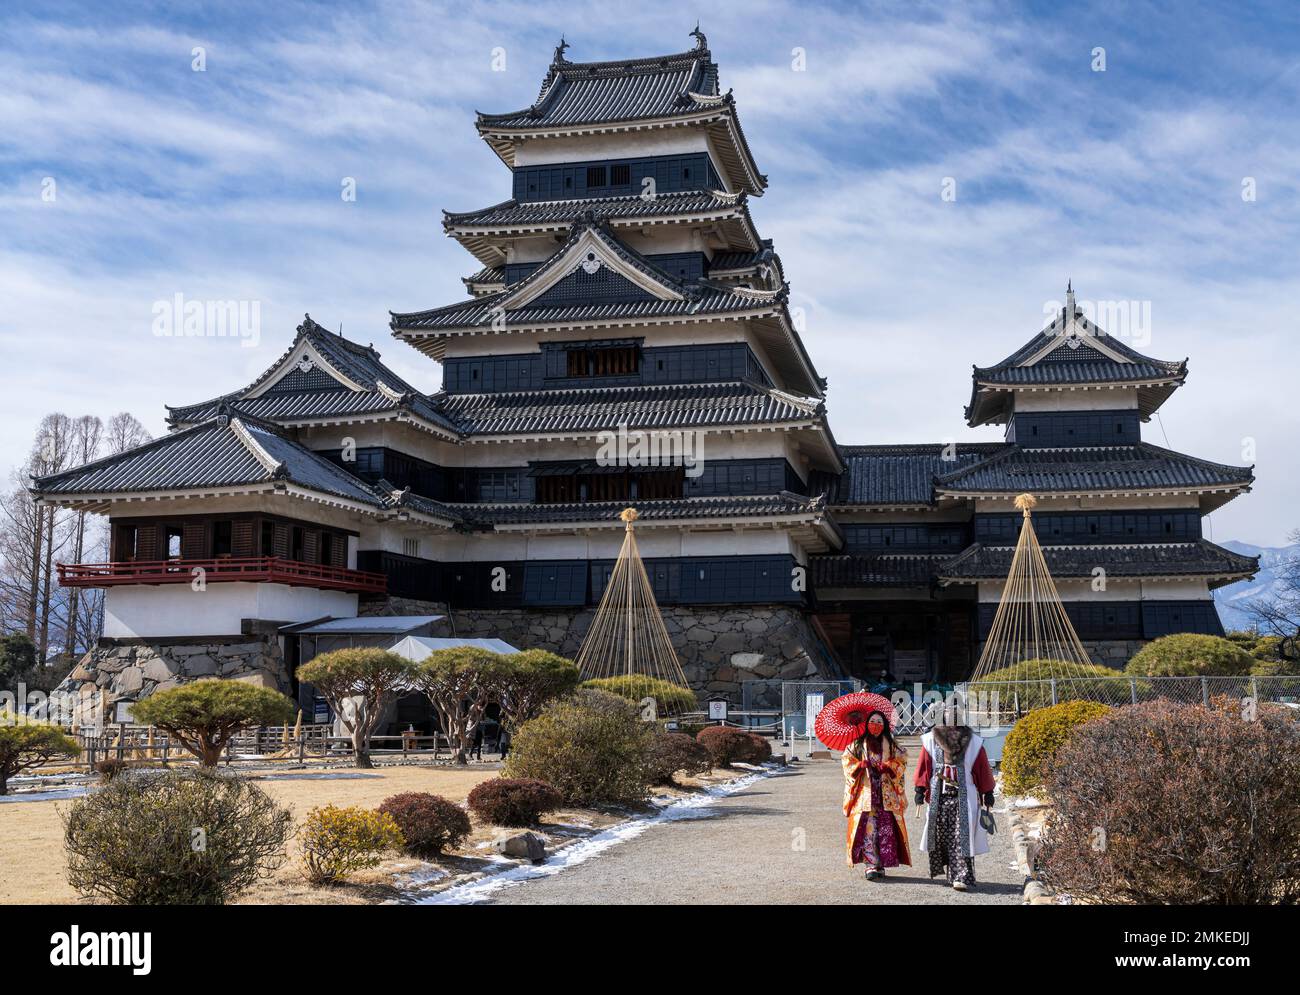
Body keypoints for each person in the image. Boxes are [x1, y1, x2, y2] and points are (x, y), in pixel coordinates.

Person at [914, 705, 996, 891]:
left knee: (961, 835)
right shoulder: (931, 740)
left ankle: (962, 876)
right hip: (938, 794)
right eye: (949, 714)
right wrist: (920, 787)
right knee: (941, 835)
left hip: (965, 794)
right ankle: (950, 872)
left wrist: (987, 791)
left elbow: (981, 768)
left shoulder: (974, 742)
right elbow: (924, 765)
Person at [841, 709, 910, 880]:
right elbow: (847, 762)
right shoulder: (857, 745)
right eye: (873, 721)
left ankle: (881, 864)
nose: (876, 725)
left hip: (886, 794)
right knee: (869, 830)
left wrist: (889, 766)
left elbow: (902, 760)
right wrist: (858, 766)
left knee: (885, 830)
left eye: (880, 722)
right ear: (866, 724)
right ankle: (871, 864)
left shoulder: (892, 745)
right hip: (866, 793)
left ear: (885, 725)